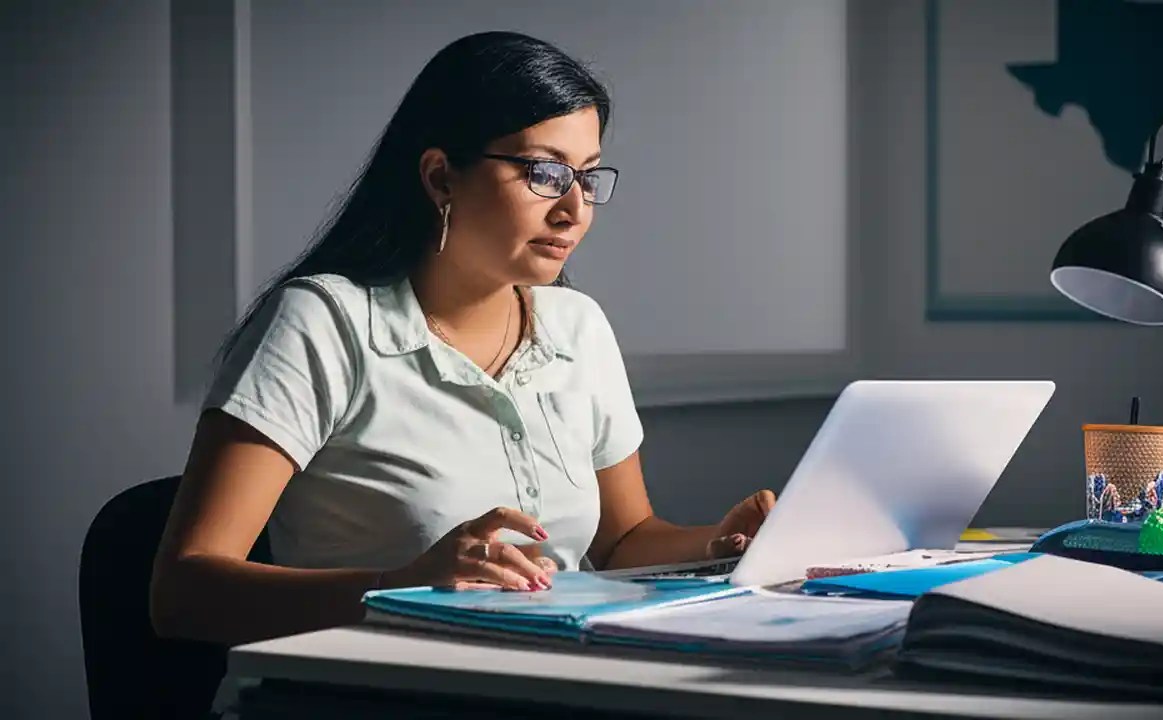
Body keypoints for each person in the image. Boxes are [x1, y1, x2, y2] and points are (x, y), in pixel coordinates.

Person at [150, 30, 776, 647]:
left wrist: (720, 541)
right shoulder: (322, 323)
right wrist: (403, 587)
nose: (574, 209)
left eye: (586, 177)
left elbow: (620, 542)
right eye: (544, 173)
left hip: (561, 676)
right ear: (441, 178)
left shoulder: (577, 326)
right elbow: (183, 594)